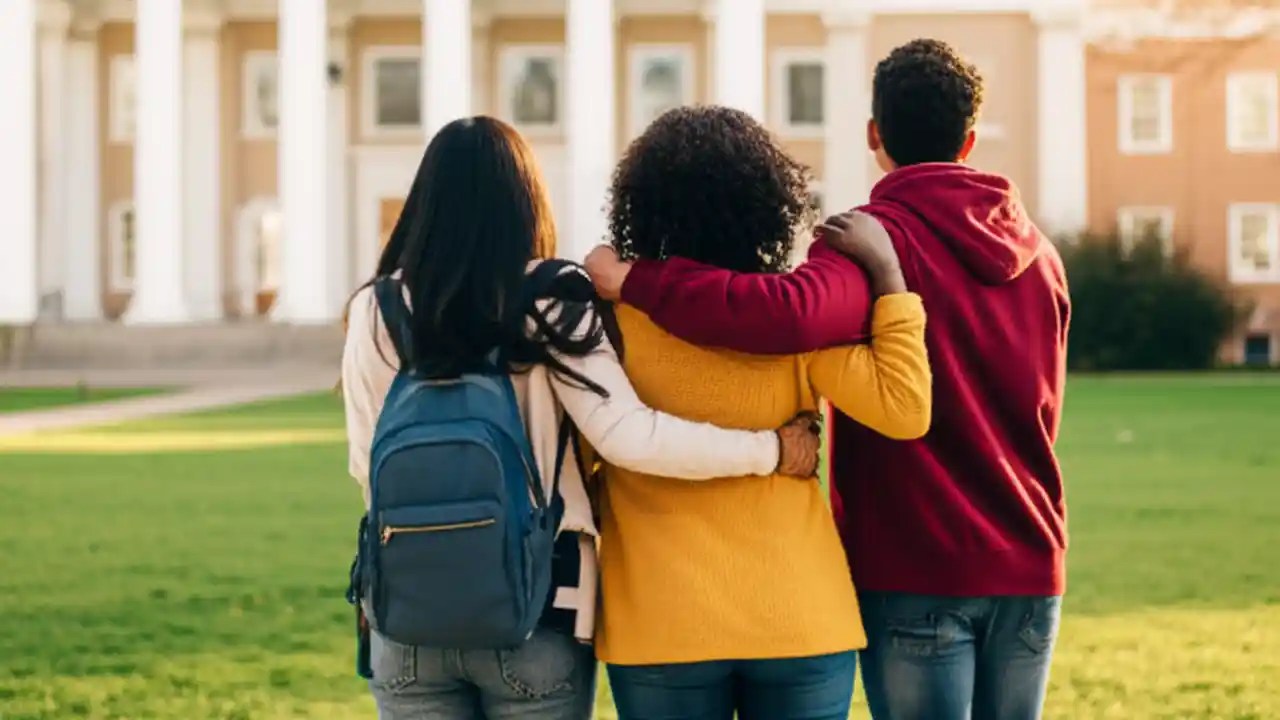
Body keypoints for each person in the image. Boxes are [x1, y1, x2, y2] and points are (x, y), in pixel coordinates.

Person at [587, 40, 1071, 720]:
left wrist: (634, 280)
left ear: (875, 135)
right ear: (970, 139)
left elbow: (786, 315)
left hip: (908, 560)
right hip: (1022, 554)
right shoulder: (1043, 258)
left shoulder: (864, 246)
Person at [340, 116, 824, 720]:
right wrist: (771, 451)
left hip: (405, 614)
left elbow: (367, 465)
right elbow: (627, 436)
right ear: (526, 202)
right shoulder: (550, 292)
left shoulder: (373, 308)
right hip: (539, 610)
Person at [594, 105, 933, 720]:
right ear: (767, 203)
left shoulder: (615, 323)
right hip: (800, 618)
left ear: (638, 205)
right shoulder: (792, 324)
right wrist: (892, 285)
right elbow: (905, 409)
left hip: (661, 621)